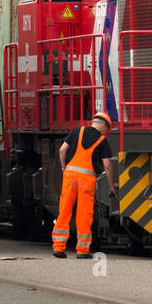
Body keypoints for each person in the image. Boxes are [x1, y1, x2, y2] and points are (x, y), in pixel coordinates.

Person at [52, 111, 118, 259]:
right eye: (107, 130)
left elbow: (62, 150)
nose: (106, 133)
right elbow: (107, 165)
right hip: (87, 180)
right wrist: (112, 186)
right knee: (84, 214)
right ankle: (82, 251)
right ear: (104, 126)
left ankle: (58, 248)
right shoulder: (102, 141)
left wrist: (64, 168)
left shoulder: (77, 131)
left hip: (69, 177)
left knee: (64, 210)